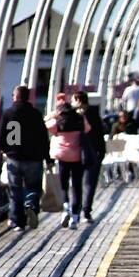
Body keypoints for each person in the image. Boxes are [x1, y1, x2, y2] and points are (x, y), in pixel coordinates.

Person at [0, 86, 50, 232]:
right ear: (28, 97)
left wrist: (4, 150)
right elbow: (43, 138)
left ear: (15, 97)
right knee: (33, 186)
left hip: (14, 157)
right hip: (33, 158)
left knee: (15, 190)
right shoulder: (35, 114)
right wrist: (47, 157)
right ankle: (31, 205)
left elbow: (1, 136)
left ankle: (17, 222)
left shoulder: (8, 113)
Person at [46, 93, 91, 230]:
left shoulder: (58, 120)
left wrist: (53, 115)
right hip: (77, 156)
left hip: (62, 156)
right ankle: (75, 218)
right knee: (77, 186)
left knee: (63, 184)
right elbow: (88, 129)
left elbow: (46, 124)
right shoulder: (79, 118)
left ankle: (66, 207)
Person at [71, 90, 106, 222]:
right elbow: (100, 134)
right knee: (90, 183)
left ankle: (76, 211)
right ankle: (86, 211)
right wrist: (102, 151)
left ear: (79, 101)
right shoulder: (94, 114)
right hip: (93, 153)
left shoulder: (72, 116)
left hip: (75, 153)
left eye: (73, 100)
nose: (71, 103)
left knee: (76, 183)